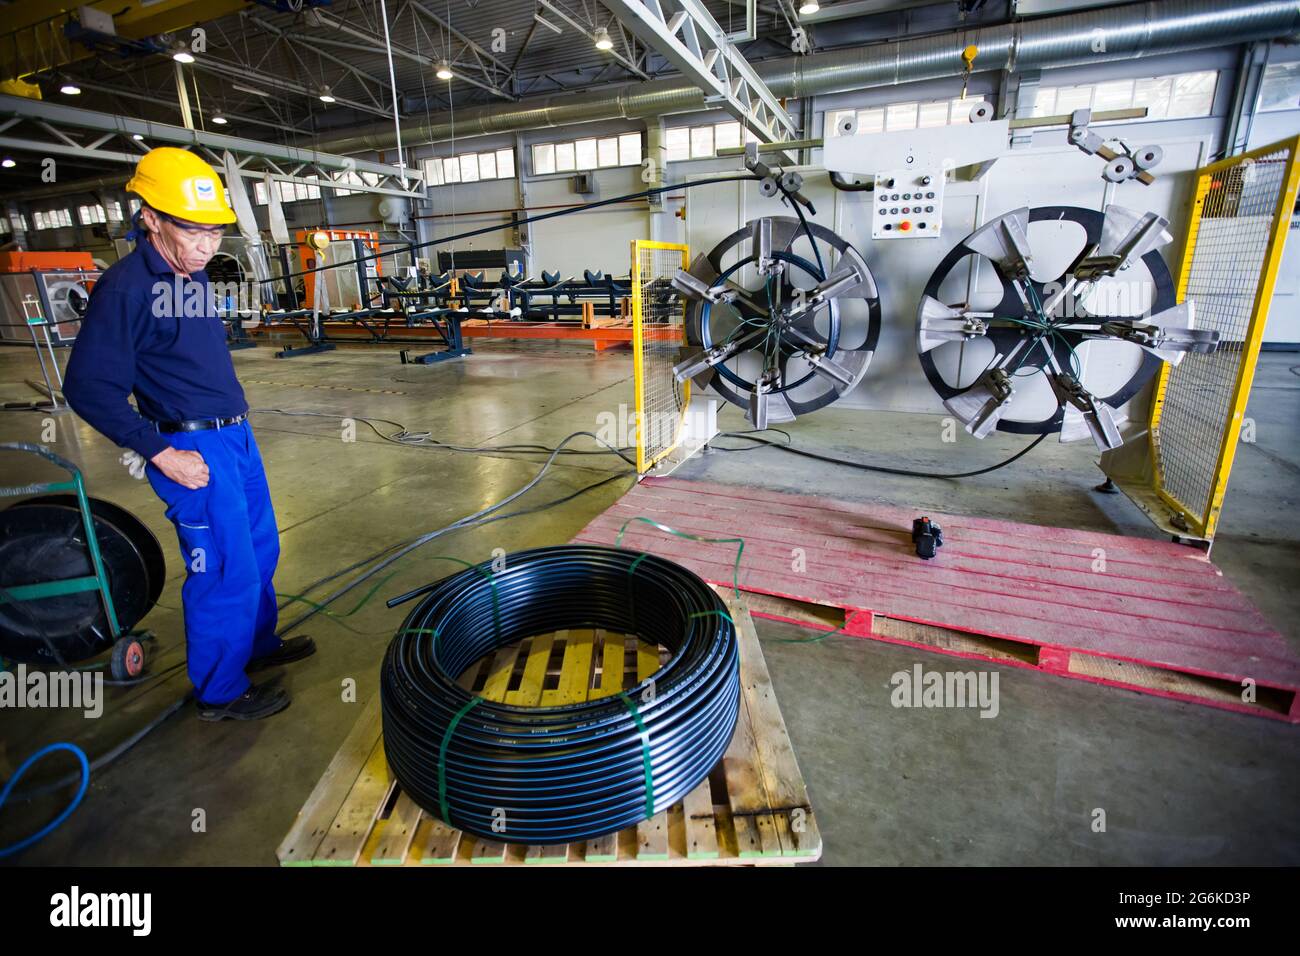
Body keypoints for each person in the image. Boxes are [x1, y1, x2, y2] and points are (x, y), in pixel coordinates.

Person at [62, 147, 313, 721]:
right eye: (192, 229)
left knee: (258, 549)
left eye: (215, 231)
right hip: (189, 448)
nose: (207, 244)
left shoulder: (191, 275)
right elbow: (89, 389)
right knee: (224, 566)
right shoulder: (125, 290)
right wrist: (162, 454)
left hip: (235, 438)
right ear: (150, 217)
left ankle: (256, 645)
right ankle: (220, 691)